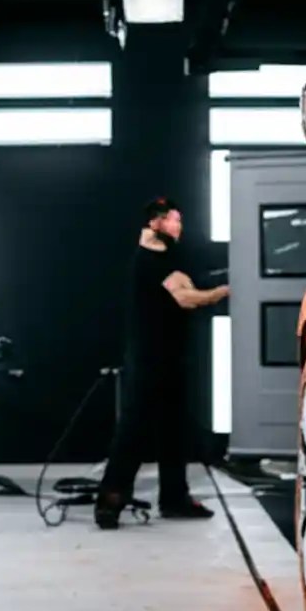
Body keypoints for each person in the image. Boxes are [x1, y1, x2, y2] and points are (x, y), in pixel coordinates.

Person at [95, 198, 230, 530]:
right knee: (133, 433)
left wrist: (213, 285)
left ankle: (174, 499)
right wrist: (224, 290)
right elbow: (185, 297)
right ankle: (110, 501)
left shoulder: (166, 258)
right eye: (173, 221)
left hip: (170, 360)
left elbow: (187, 286)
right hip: (148, 362)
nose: (178, 227)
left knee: (173, 432)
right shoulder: (149, 261)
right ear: (154, 224)